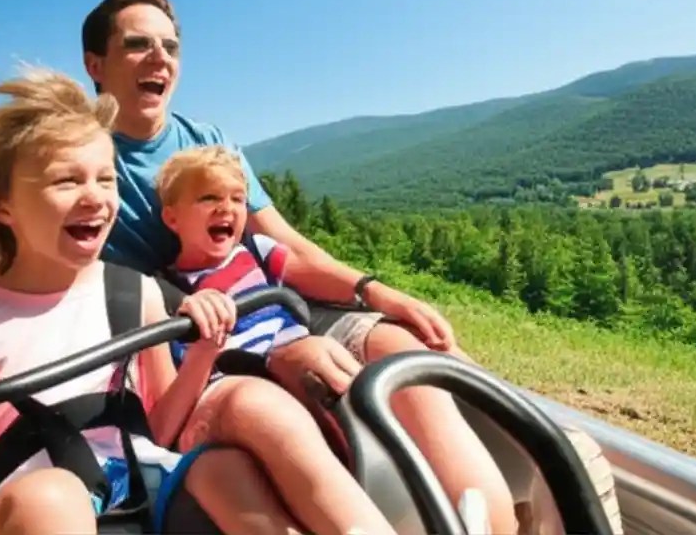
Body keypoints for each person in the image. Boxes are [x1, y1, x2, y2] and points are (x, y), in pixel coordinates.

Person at [80, 0, 517, 532]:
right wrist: (267, 359)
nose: (160, 58)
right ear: (96, 65)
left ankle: (489, 511)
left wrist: (372, 291)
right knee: (293, 397)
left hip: (267, 305)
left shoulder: (205, 139)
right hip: (198, 341)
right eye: (139, 44)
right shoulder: (87, 158)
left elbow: (283, 243)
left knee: (397, 347)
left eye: (170, 46)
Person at [0, 67, 396, 534]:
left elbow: (160, 429)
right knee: (54, 497)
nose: (94, 198)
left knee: (223, 470)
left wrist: (204, 351)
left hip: (140, 480)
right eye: (66, 181)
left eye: (106, 180)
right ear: (0, 204)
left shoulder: (133, 293)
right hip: (31, 500)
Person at [157, 143, 521, 531]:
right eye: (208, 198)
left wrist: (379, 294)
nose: (226, 208)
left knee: (369, 387)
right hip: (249, 378)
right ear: (171, 217)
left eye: (237, 199)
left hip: (306, 357)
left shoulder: (256, 252)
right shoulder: (170, 292)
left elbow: (307, 269)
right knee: (297, 423)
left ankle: (465, 502)